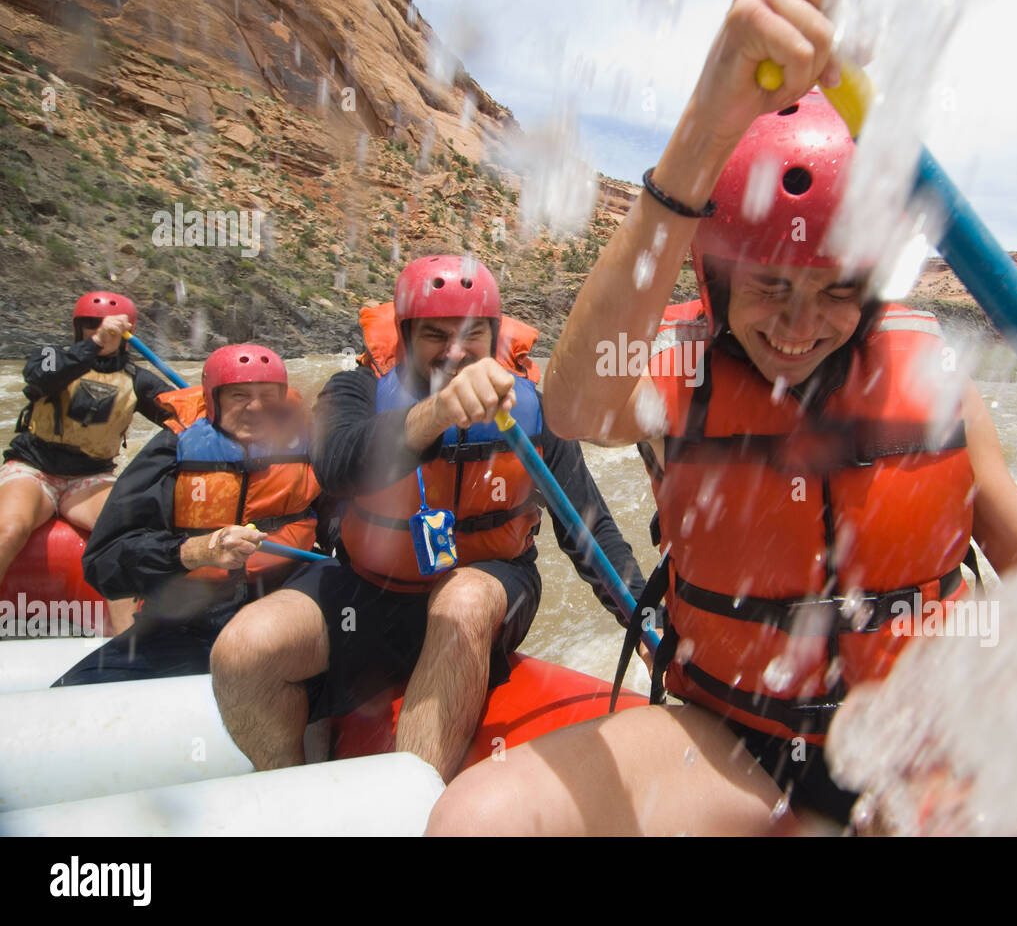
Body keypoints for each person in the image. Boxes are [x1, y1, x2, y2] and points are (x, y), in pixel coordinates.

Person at [425, 0, 1017, 837]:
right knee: (478, 819)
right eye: (771, 284)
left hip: (917, 742)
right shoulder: (679, 369)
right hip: (730, 739)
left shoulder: (937, 385)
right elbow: (574, 406)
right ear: (718, 279)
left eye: (835, 289)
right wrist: (711, 117)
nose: (801, 324)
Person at [210, 254, 647, 782]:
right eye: (435, 335)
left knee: (461, 599)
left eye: (472, 334)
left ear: (494, 332)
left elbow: (589, 529)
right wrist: (436, 413)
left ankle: (407, 810)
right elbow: (336, 465)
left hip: (490, 587)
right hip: (366, 587)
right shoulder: (355, 391)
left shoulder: (537, 411)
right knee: (243, 650)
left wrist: (643, 623)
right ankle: (289, 791)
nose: (455, 352)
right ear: (405, 334)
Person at [52, 344, 323, 685]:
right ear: (213, 400)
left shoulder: (308, 447)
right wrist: (195, 552)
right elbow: (104, 564)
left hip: (280, 608)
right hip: (188, 620)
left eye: (268, 395)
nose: (255, 407)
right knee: (72, 692)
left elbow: (339, 524)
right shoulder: (171, 453)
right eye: (239, 395)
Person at [1, 292, 173, 634]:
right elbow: (43, 378)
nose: (99, 330)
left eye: (106, 326)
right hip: (34, 469)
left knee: (124, 537)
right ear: (79, 329)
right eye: (89, 325)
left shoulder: (139, 381)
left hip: (91, 478)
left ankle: (127, 641)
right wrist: (95, 344)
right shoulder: (51, 357)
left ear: (127, 332)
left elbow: (181, 419)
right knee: (10, 528)